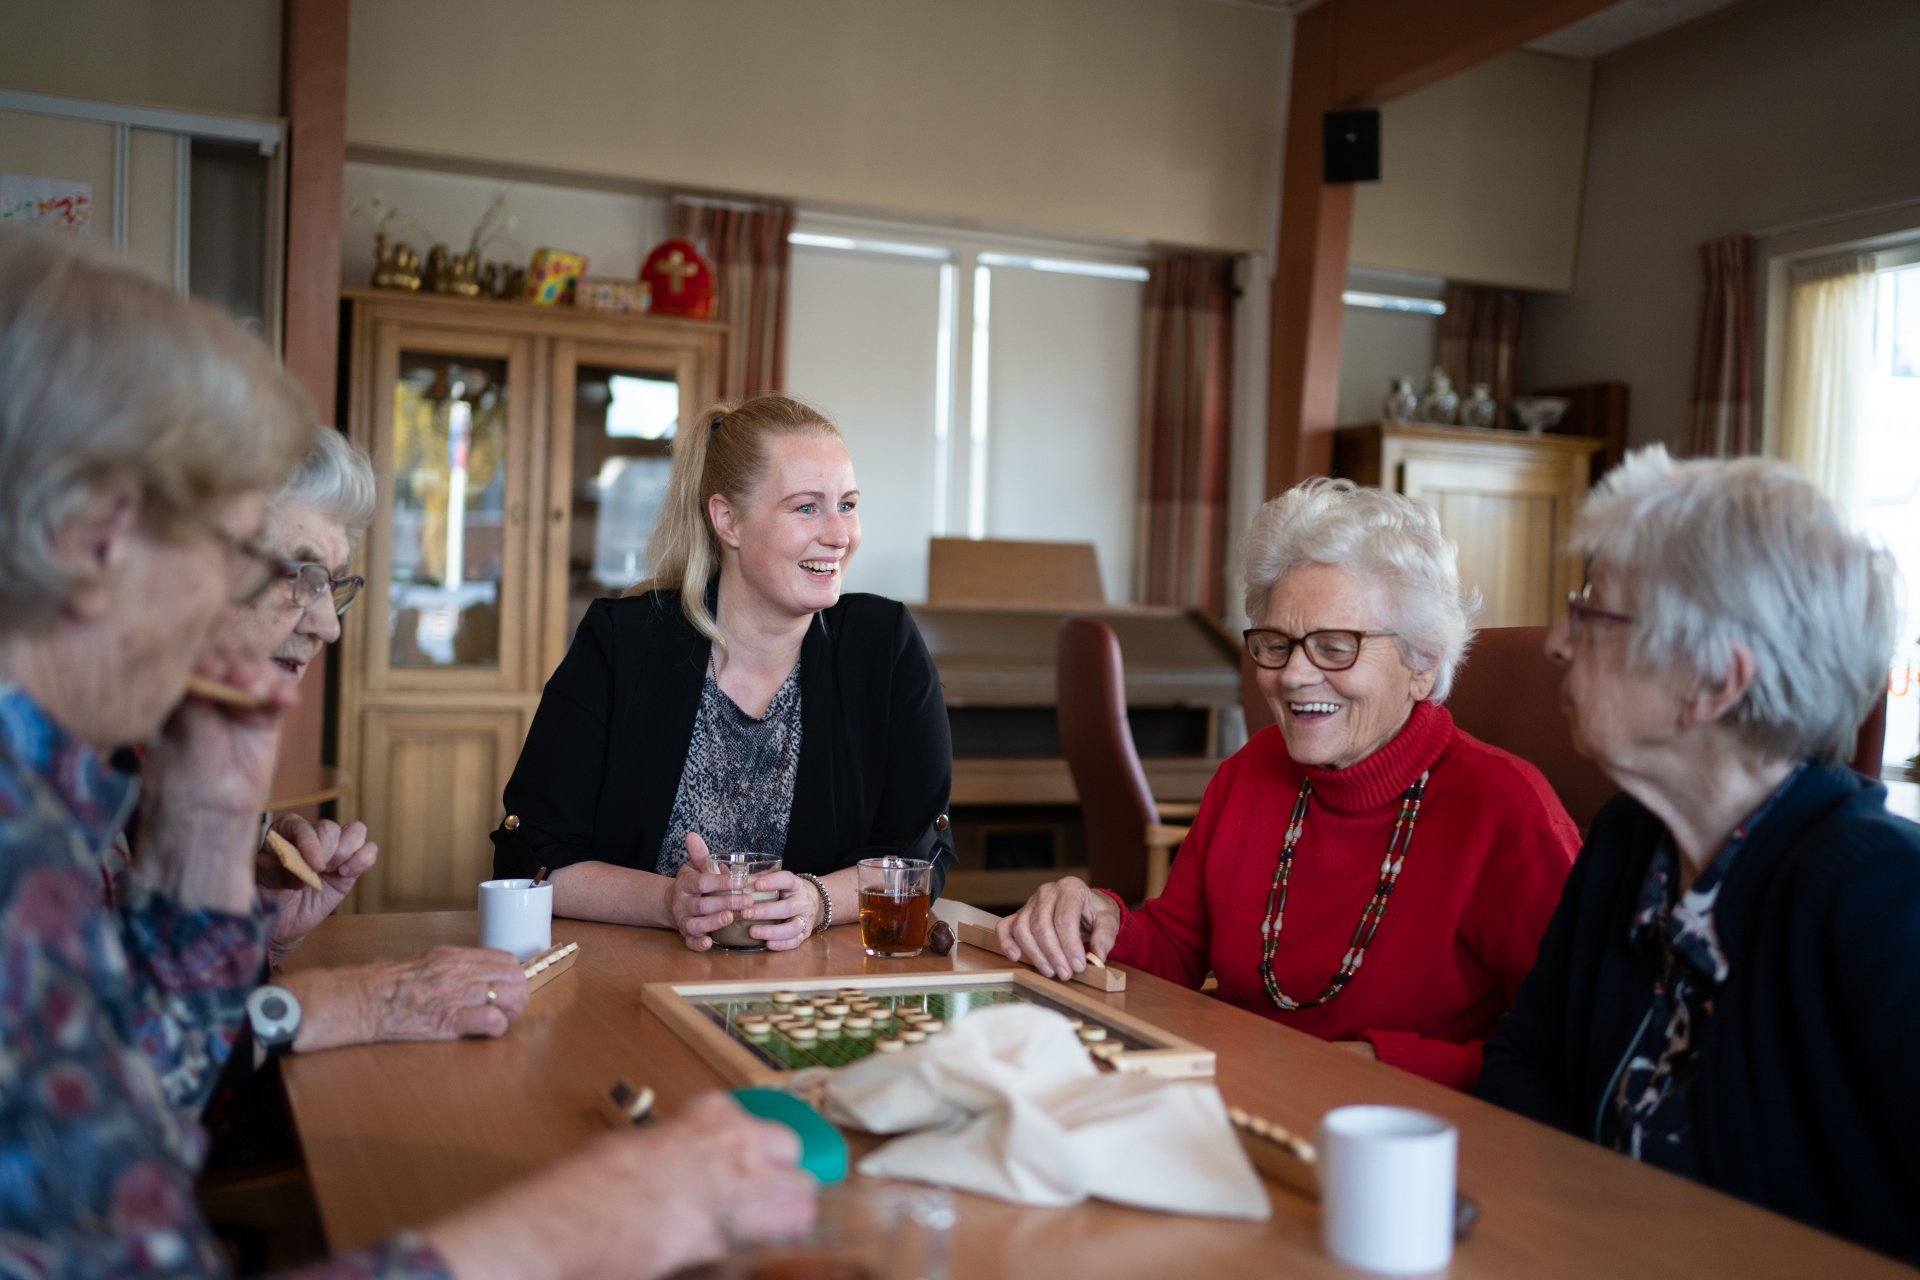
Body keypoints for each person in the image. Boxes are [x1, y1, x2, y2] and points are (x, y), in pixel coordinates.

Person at [0, 229, 812, 1278]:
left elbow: (141, 1104)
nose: (311, 622)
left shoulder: (56, 783)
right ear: (104, 535)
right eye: (246, 551)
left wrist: (206, 822)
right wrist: (581, 1224)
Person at [1476, 447, 1919, 1260]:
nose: (1557, 644)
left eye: (1595, 615)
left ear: (1714, 682)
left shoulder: (1880, 895)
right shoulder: (1627, 839)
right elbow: (1521, 1066)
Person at [998, 478, 1580, 1088]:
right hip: (1239, 1096)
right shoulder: (1253, 770)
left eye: (1334, 647)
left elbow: (1573, 1056)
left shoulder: (1509, 815)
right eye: (1277, 644)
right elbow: (1177, 944)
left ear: (1422, 663)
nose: (1294, 675)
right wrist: (1100, 920)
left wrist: (1379, 1067)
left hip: (1407, 1142)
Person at [130, 428, 534, 1063]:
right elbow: (103, 1064)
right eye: (304, 577)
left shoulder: (159, 752)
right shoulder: (47, 764)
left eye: (334, 586)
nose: (328, 625)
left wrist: (259, 931)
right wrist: (370, 999)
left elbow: (171, 993)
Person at [494, 394, 955, 952]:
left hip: (814, 996)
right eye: (807, 508)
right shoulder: (623, 644)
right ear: (727, 519)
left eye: (848, 505)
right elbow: (536, 858)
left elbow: (919, 857)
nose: (840, 535)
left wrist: (816, 900)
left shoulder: (884, 647)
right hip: (626, 986)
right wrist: (668, 902)